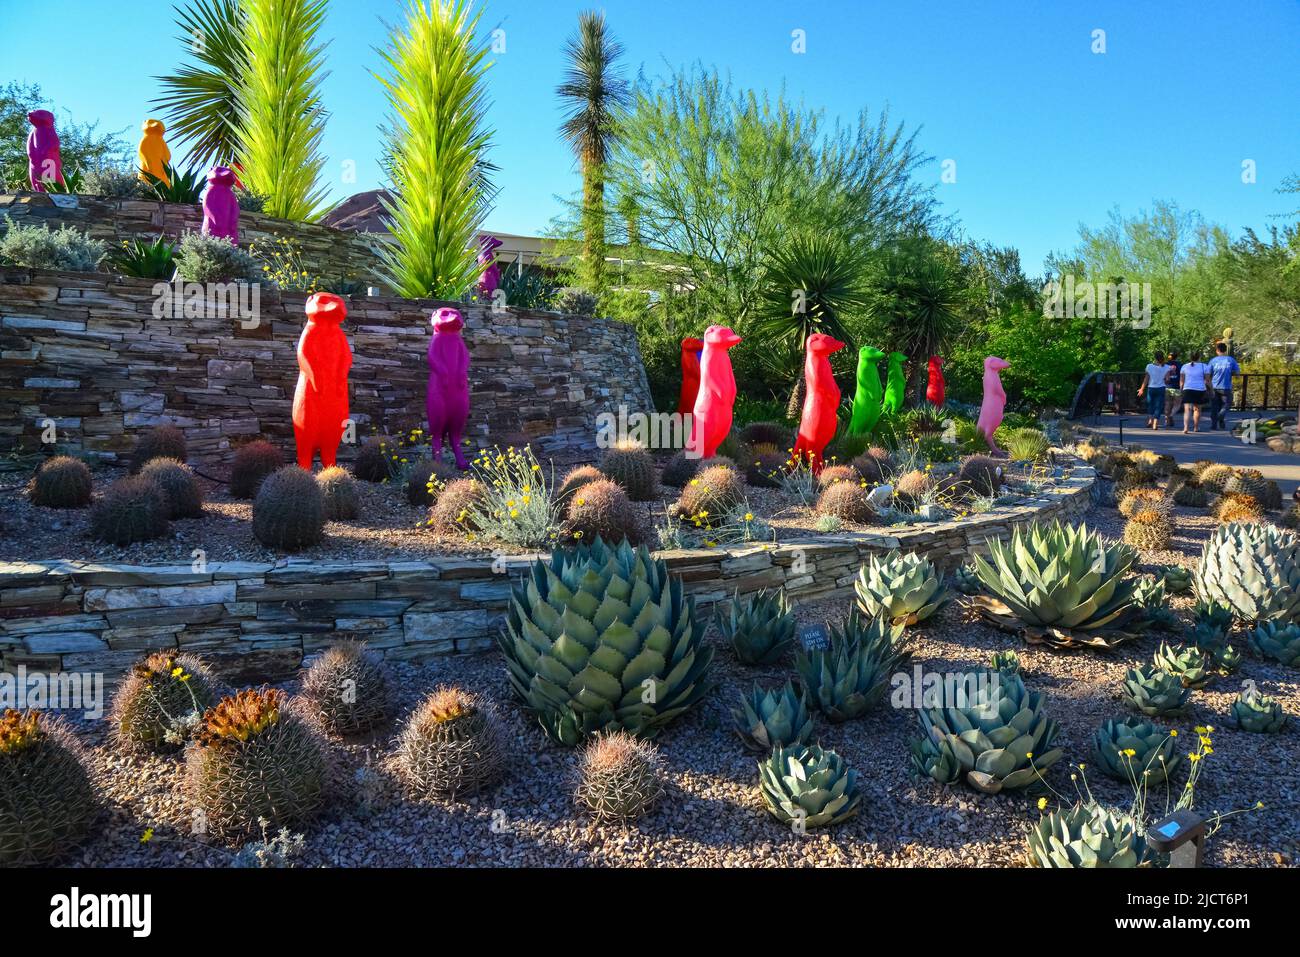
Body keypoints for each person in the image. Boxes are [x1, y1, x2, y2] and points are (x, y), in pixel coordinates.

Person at [1208, 341, 1241, 431]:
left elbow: (1208, 374)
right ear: (1226, 350)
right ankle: (1221, 415)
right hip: (1226, 386)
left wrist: (1208, 385)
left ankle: (1214, 425)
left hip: (1214, 386)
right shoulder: (1231, 360)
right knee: (1227, 403)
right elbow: (1237, 374)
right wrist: (1231, 373)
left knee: (1214, 406)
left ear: (1217, 350)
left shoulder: (1213, 361)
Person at [1137, 351, 1170, 430]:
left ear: (1155, 357)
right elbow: (1167, 380)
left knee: (1150, 405)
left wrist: (1141, 389)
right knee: (1159, 406)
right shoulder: (1167, 367)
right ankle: (1155, 423)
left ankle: (1150, 421)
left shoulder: (1149, 366)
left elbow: (1146, 379)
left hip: (1151, 388)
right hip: (1161, 388)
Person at [1180, 351, 1210, 433]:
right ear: (1199, 357)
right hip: (1200, 389)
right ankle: (1196, 427)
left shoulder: (1184, 366)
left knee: (1187, 410)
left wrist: (1181, 389)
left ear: (1190, 357)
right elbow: (1207, 380)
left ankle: (1186, 428)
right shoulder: (1204, 366)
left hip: (1187, 389)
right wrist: (1212, 390)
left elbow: (1182, 381)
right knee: (1197, 409)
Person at [1163, 349, 1182, 427]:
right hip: (1176, 386)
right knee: (1177, 404)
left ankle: (1166, 421)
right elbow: (1182, 376)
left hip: (1167, 386)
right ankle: (1171, 415)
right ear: (1176, 356)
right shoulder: (1180, 365)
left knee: (1167, 403)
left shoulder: (1165, 365)